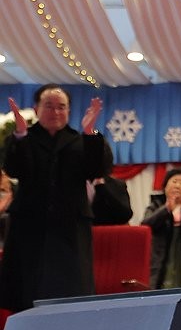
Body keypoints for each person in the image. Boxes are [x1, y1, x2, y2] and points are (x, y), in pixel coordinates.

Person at [0, 85, 111, 312]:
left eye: (61, 107)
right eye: (49, 106)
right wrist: (20, 134)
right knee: (26, 289)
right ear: (36, 108)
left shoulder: (80, 140)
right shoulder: (24, 138)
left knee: (70, 290)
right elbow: (12, 168)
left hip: (70, 228)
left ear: (69, 111)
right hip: (29, 227)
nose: (55, 112)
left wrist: (90, 132)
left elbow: (98, 169)